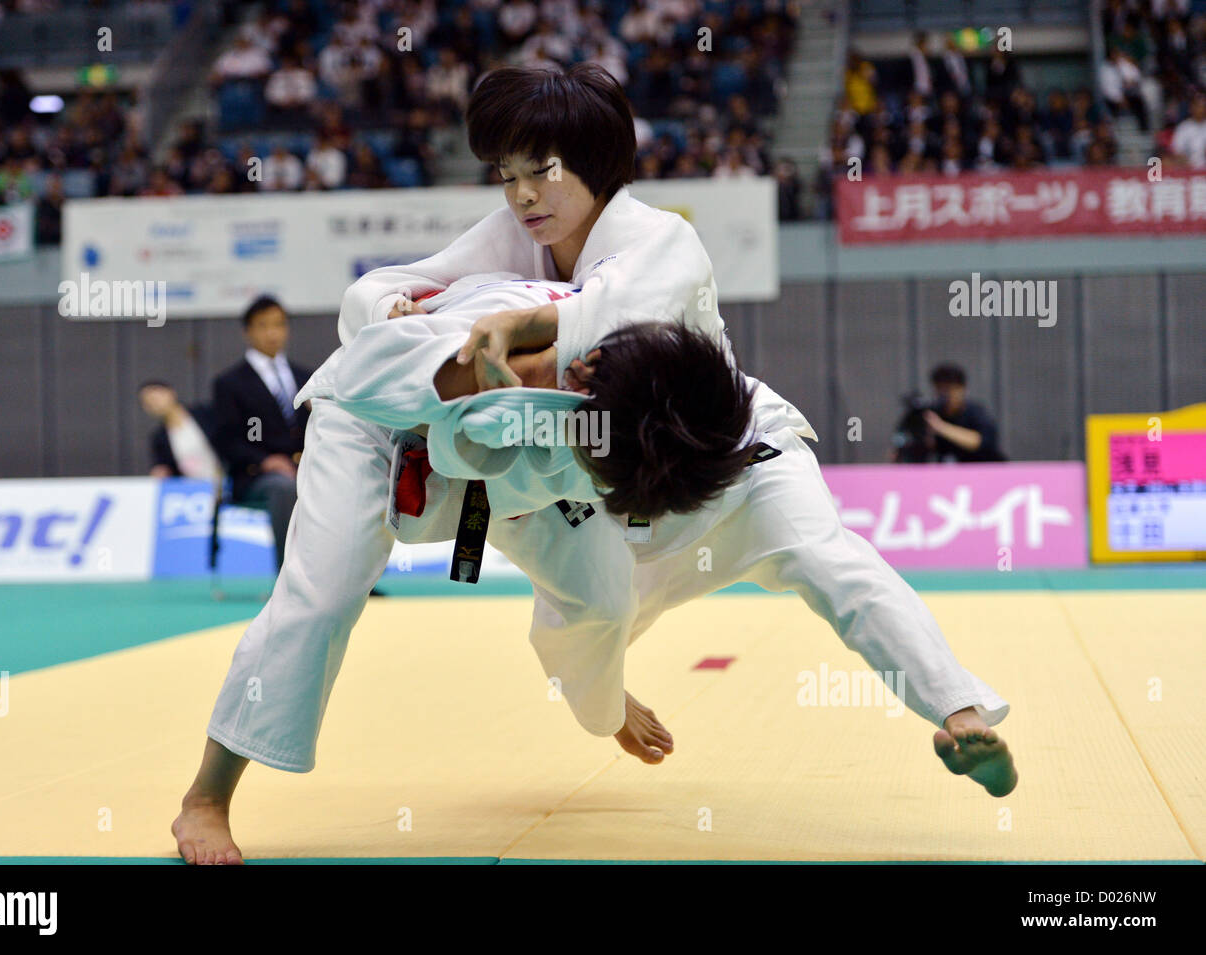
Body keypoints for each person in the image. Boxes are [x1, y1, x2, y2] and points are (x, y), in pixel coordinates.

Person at [172, 64, 1015, 865]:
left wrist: (514, 335)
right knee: (340, 596)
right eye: (506, 176)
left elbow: (612, 314)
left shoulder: (660, 246)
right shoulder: (503, 258)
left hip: (706, 457)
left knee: (833, 558)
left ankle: (959, 708)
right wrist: (392, 311)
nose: (523, 196)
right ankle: (208, 793)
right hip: (424, 430)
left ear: (600, 164)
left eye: (540, 171)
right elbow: (382, 297)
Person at [211, 295, 313, 571]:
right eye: (263, 325)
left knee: (347, 483)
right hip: (256, 476)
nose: (272, 333)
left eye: (279, 325)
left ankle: (352, 582)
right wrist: (264, 461)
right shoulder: (230, 383)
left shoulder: (307, 377)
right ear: (248, 331)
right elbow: (226, 439)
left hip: (306, 466)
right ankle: (289, 579)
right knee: (284, 488)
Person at [893, 363, 1006, 463]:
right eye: (940, 389)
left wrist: (941, 427)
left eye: (949, 389)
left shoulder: (975, 412)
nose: (945, 395)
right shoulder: (932, 413)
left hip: (983, 470)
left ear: (962, 389)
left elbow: (980, 442)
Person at [138, 380, 222, 482]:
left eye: (155, 398)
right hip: (194, 489)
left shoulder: (206, 414)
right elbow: (164, 467)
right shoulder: (159, 438)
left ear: (171, 393)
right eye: (148, 403)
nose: (155, 404)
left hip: (227, 480)